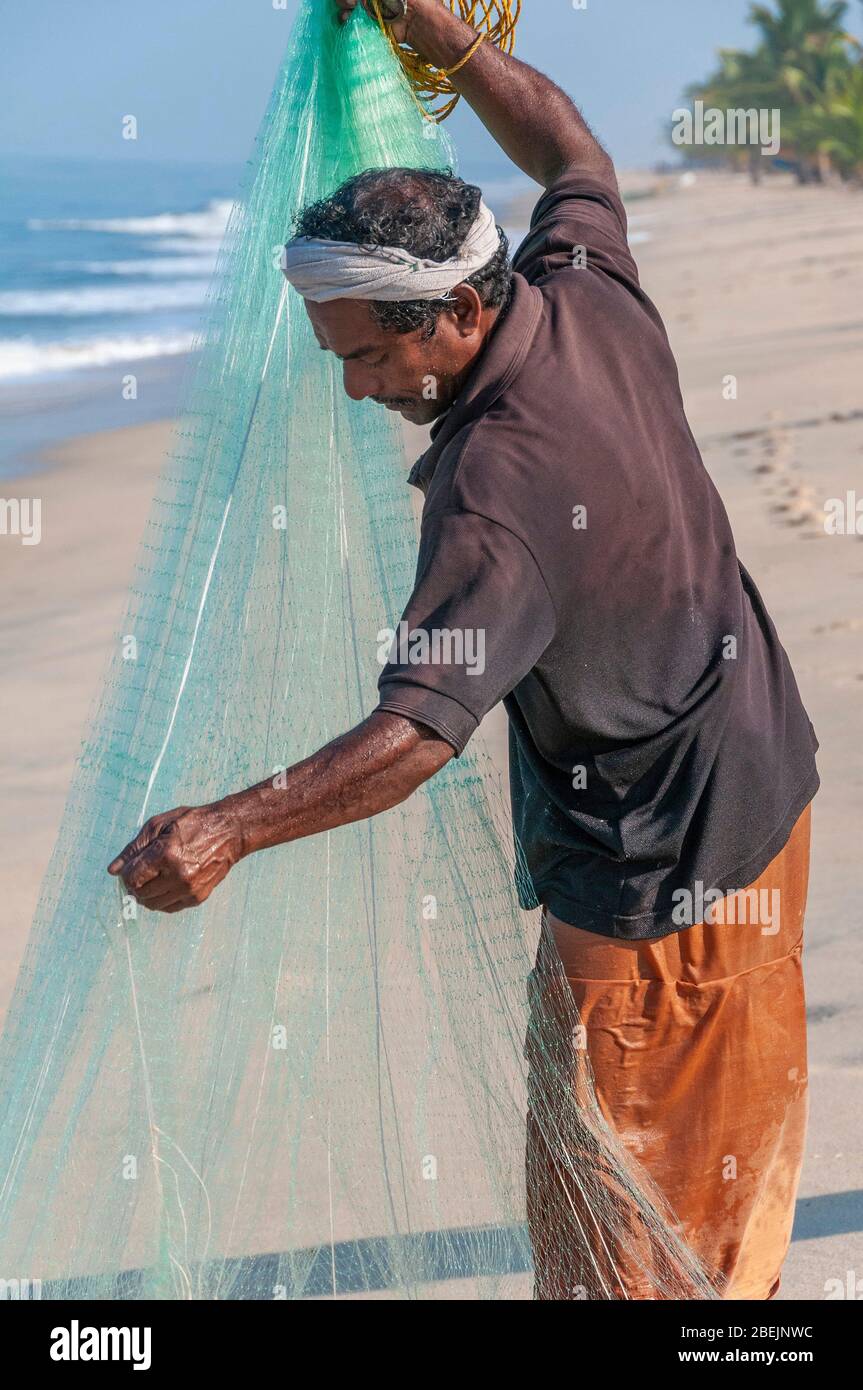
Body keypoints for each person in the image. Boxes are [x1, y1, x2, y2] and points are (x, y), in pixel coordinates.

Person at [108, 0, 819, 1299]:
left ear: (450, 316)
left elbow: (415, 733)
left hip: (655, 886)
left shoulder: (497, 494)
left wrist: (227, 826)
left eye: (366, 354)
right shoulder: (580, 282)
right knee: (716, 1184)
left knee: (631, 1250)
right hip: (763, 785)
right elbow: (571, 144)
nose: (353, 387)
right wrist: (454, 42)